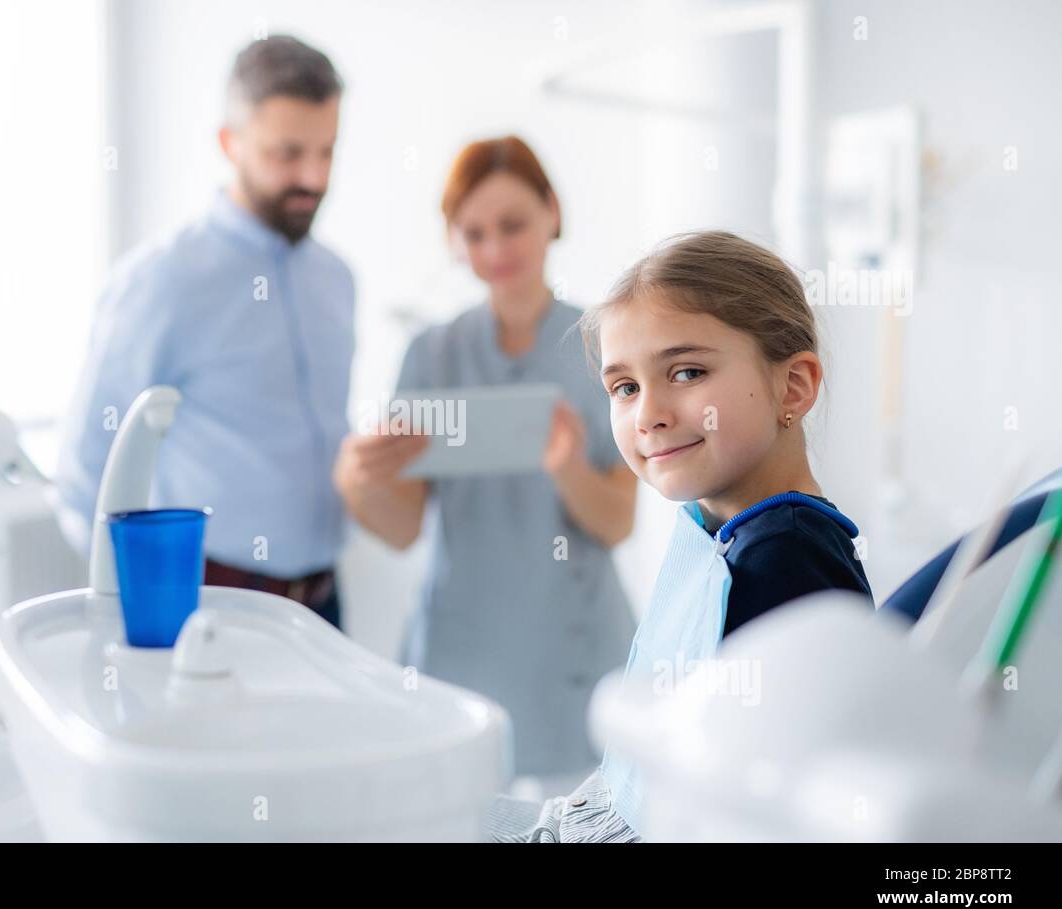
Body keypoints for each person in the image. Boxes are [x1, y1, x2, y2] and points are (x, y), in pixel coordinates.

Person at [488, 230, 874, 842]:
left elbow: (762, 810)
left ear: (793, 388)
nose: (648, 414)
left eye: (687, 371)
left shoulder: (786, 554)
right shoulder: (717, 531)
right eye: (625, 387)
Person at [333, 136, 638, 780]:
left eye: (512, 225)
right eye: (473, 234)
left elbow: (616, 522)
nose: (495, 251)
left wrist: (566, 469)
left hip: (572, 651)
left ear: (552, 213)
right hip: (459, 647)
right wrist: (361, 483)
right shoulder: (431, 355)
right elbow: (403, 527)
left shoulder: (605, 344)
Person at [56, 36, 353, 628]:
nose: (313, 177)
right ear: (230, 143)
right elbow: (89, 464)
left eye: (327, 151)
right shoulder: (162, 281)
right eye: (288, 153)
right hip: (207, 605)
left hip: (323, 606)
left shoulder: (338, 279)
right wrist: (133, 605)